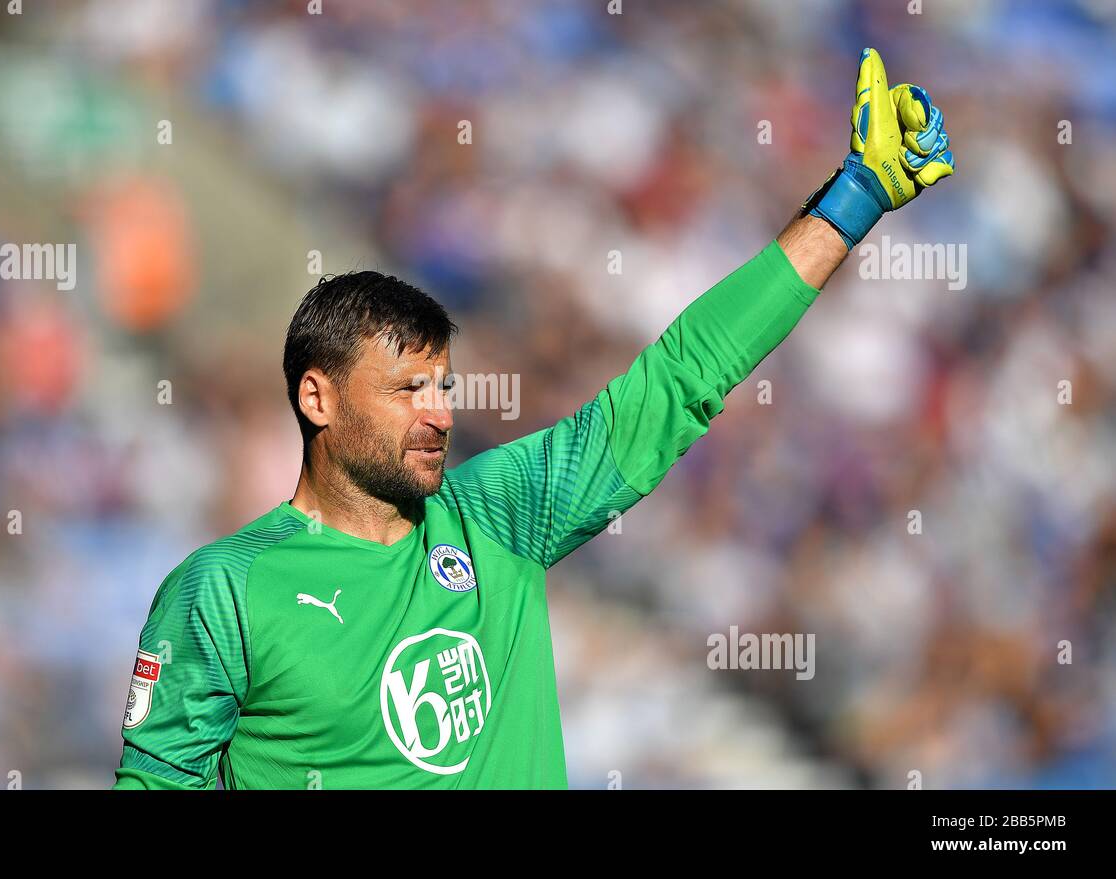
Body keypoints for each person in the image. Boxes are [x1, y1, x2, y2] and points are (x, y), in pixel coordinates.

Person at [113, 48, 954, 789]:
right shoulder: (222, 590)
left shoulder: (498, 518)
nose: (439, 414)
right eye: (407, 390)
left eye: (442, 387)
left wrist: (852, 202)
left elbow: (679, 380)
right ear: (318, 398)